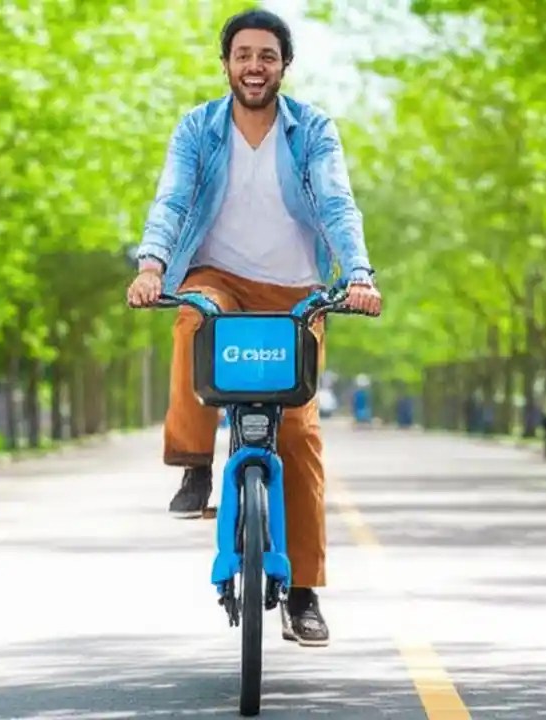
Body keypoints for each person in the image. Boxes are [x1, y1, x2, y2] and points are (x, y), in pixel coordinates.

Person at [125, 8, 381, 647]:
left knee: (299, 435)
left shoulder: (312, 130)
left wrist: (358, 273)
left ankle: (304, 593)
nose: (255, 67)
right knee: (193, 314)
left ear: (284, 66)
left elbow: (336, 203)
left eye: (267, 56)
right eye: (243, 55)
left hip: (297, 293)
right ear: (226, 65)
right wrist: (152, 265)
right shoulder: (198, 129)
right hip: (220, 279)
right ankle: (195, 464)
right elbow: (172, 200)